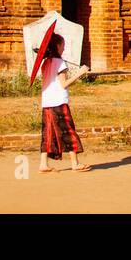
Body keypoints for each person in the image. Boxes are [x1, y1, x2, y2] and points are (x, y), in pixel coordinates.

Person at [38, 34, 90, 173]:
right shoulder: (60, 63)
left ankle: (43, 164)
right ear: (57, 46)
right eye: (62, 45)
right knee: (68, 131)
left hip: (47, 102)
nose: (64, 48)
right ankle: (75, 164)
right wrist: (80, 73)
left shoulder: (46, 63)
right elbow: (64, 84)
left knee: (47, 132)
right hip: (59, 102)